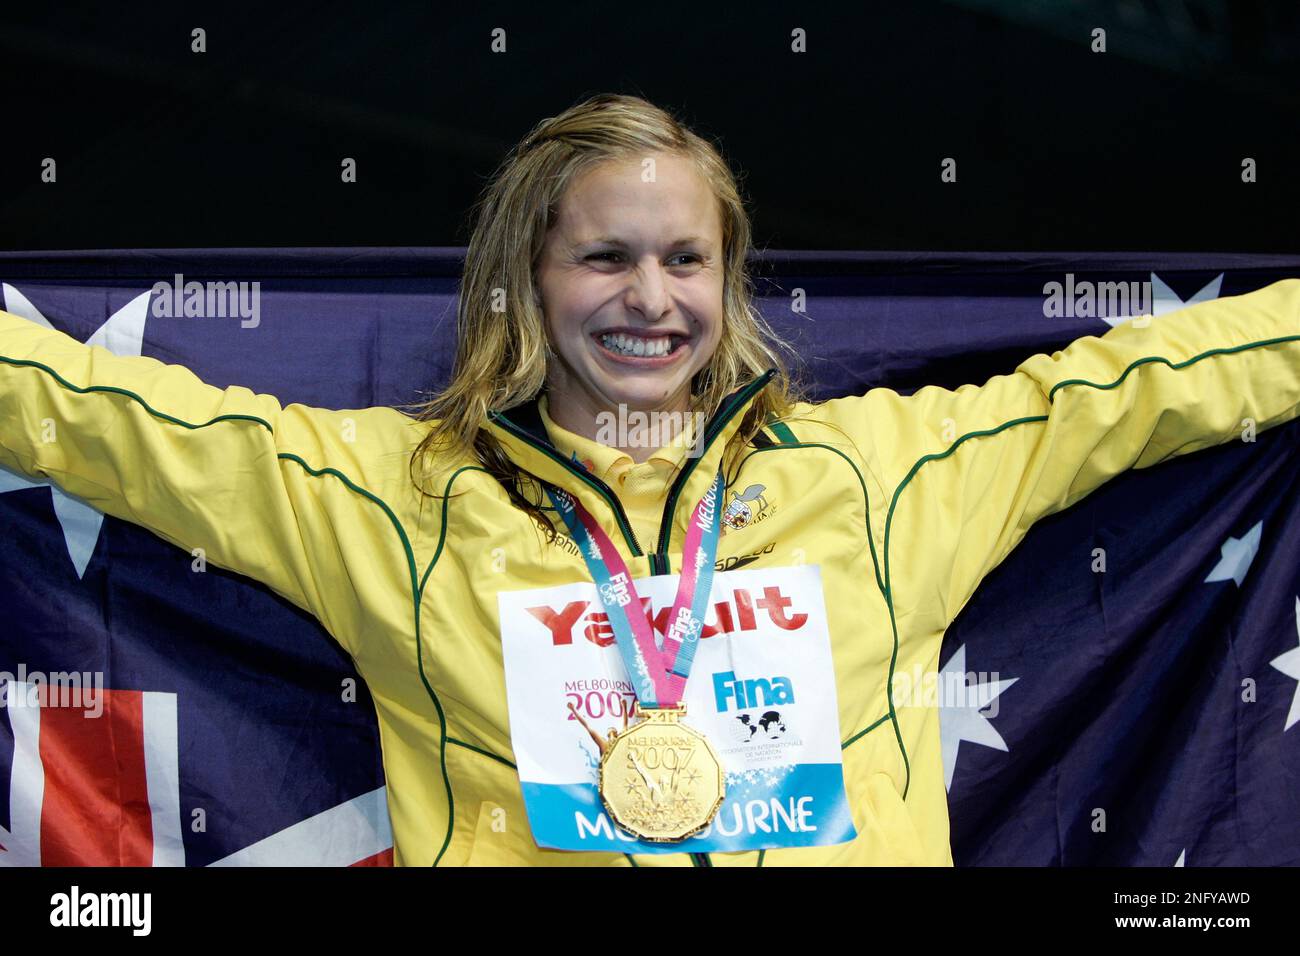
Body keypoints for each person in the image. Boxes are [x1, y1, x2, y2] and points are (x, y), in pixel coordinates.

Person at [1, 92, 1298, 867]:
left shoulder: (874, 478)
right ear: (527, 275)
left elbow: (1127, 390)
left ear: (727, 283)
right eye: (603, 257)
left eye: (685, 259)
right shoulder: (392, 499)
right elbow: (99, 416)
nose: (648, 298)